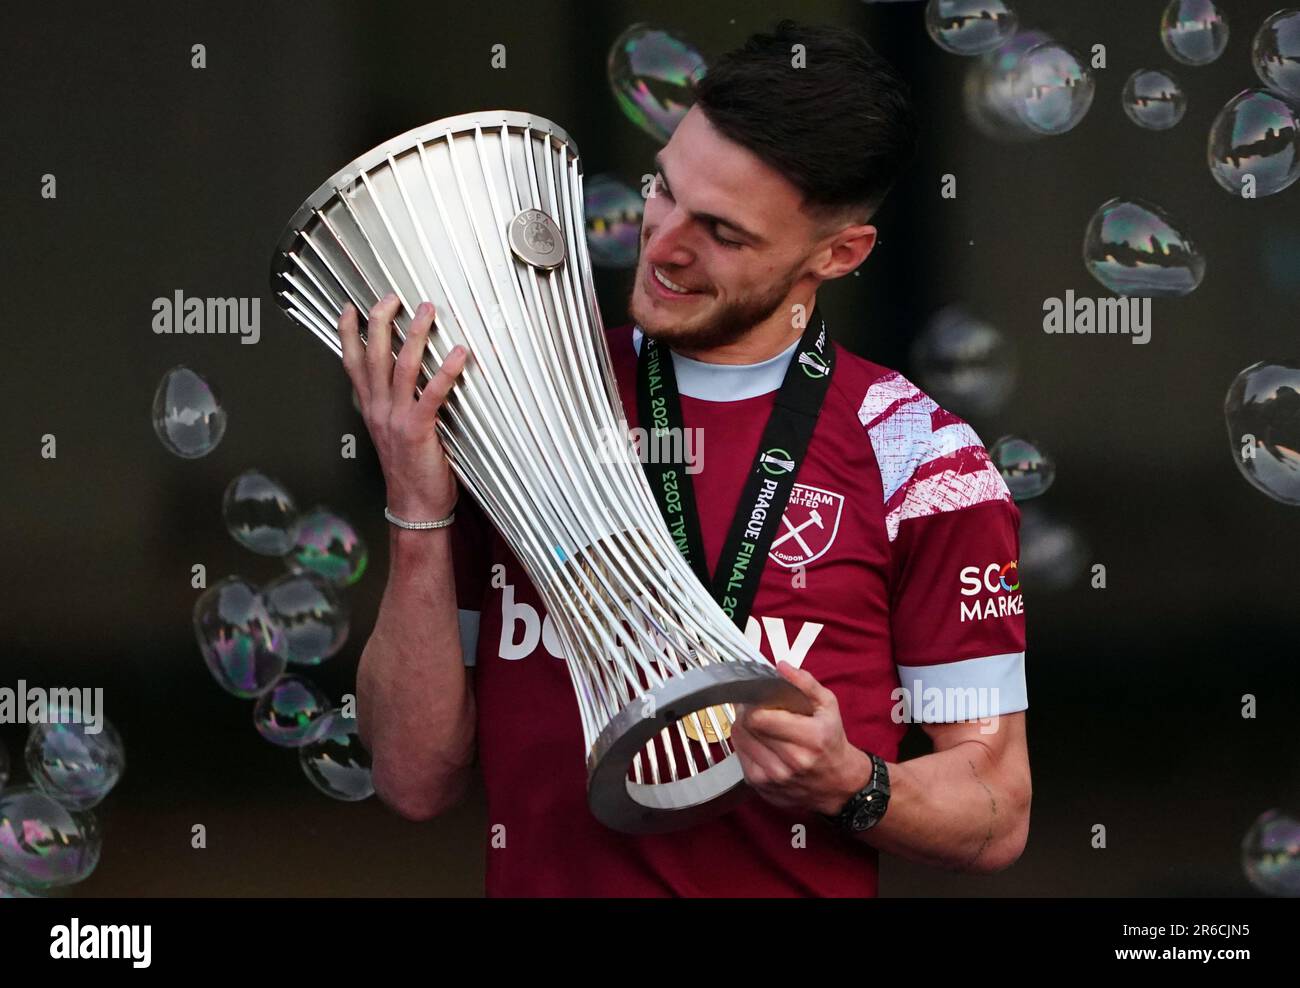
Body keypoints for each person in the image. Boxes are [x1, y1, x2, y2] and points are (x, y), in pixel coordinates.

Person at [344, 19, 1030, 896]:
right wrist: (416, 508)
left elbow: (997, 806)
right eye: (663, 190)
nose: (661, 244)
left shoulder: (922, 461)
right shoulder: (522, 399)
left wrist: (854, 783)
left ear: (838, 253)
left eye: (723, 232)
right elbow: (412, 778)